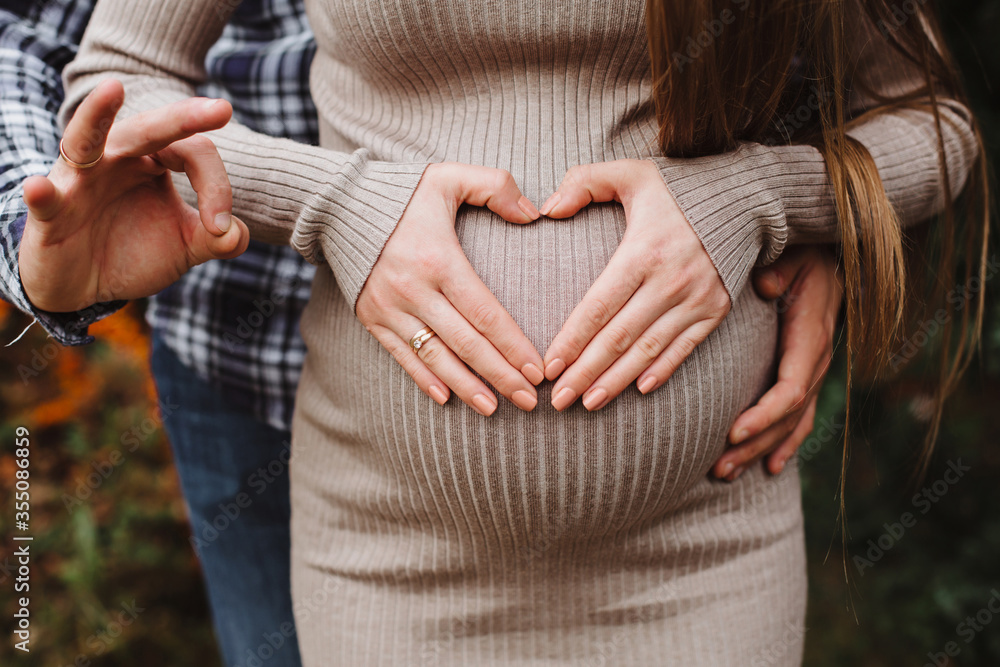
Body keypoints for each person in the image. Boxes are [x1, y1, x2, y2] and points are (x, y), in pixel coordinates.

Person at [62, 0, 985, 663]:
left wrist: (762, 198)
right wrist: (334, 201)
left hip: (699, 546)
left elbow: (931, 123)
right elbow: (113, 96)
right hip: (387, 546)